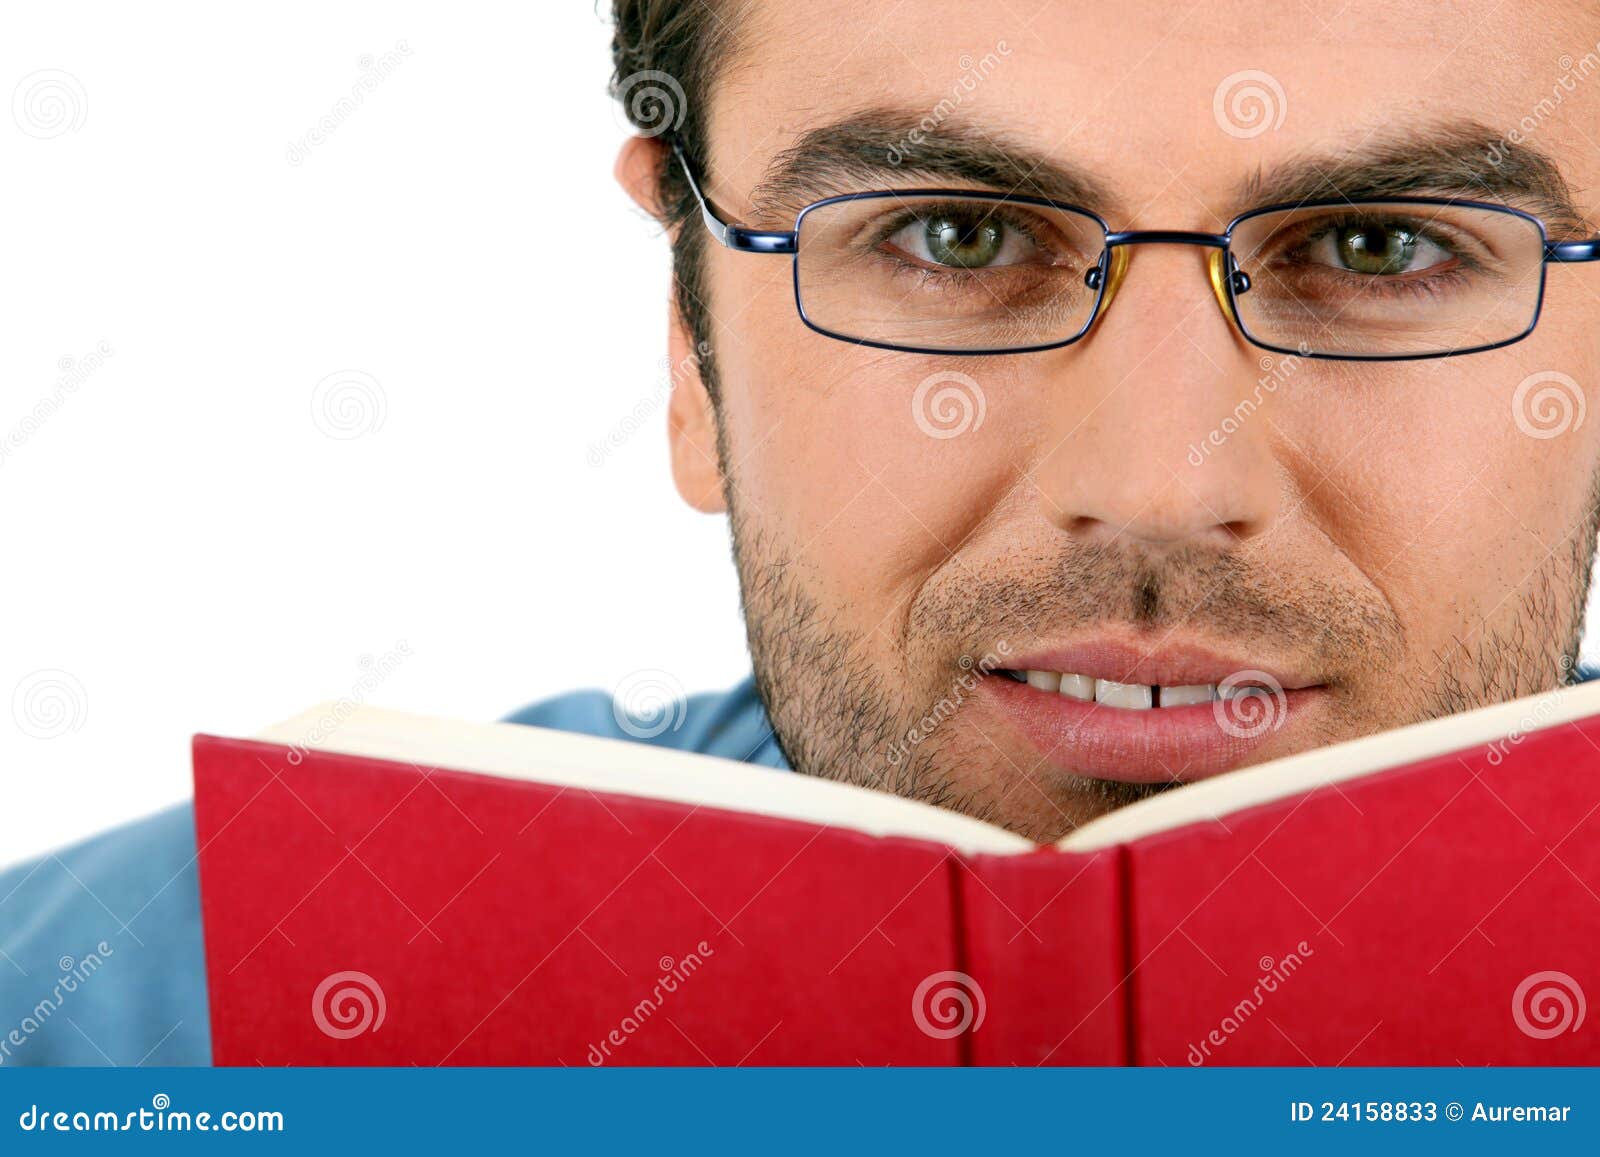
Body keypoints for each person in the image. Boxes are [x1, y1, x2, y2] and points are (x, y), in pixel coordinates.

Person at [6, 0, 1600, 1065]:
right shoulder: (86, 1028)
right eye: (953, 234)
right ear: (693, 352)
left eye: (1385, 245)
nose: (1163, 483)